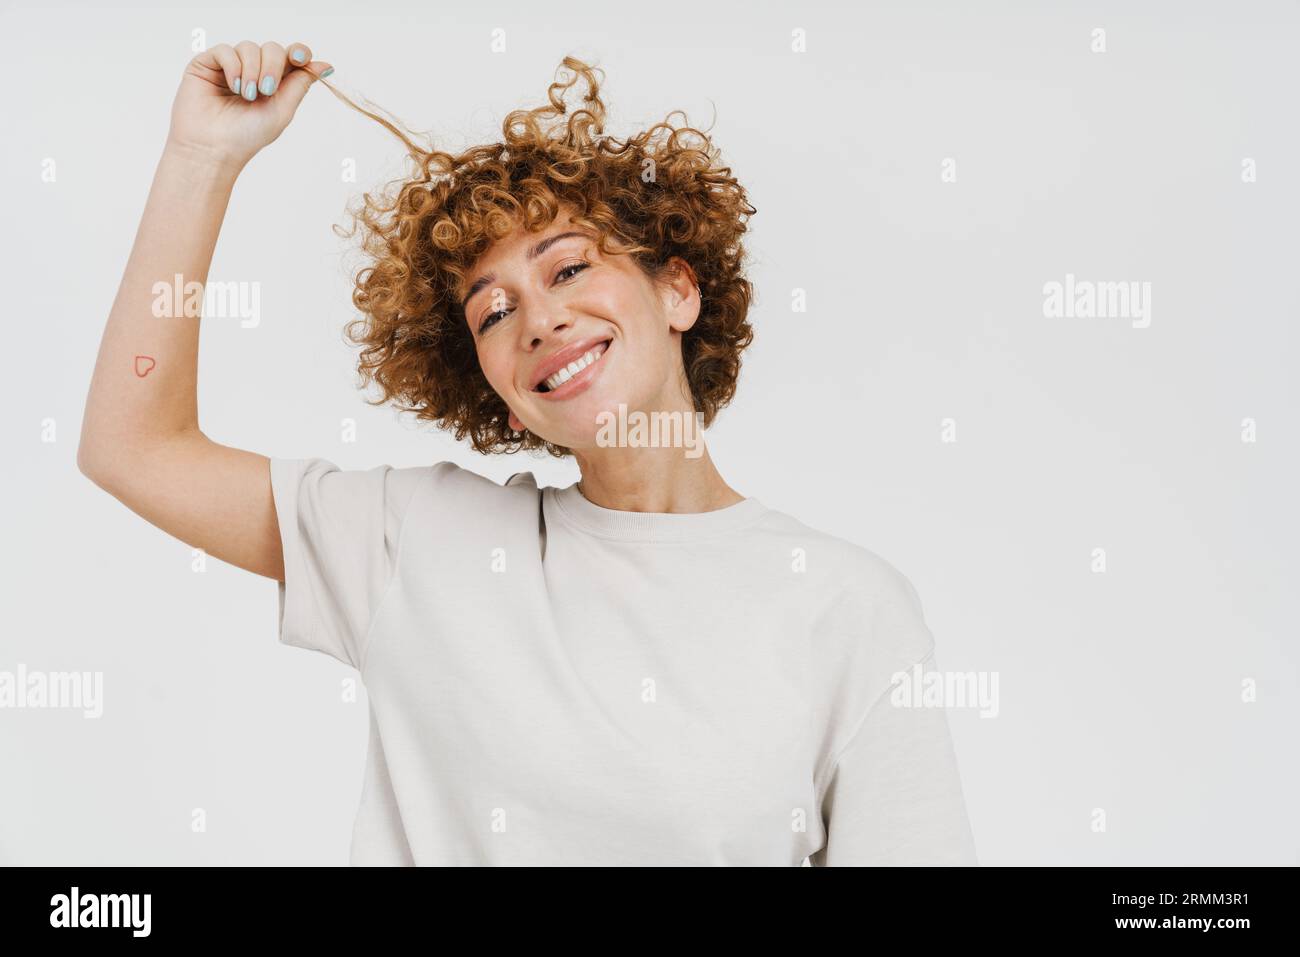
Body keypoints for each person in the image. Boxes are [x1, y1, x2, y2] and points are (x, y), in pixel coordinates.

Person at [78, 41, 978, 866]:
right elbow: (134, 446)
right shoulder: (415, 540)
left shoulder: (849, 608)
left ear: (677, 290)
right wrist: (202, 161)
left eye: (569, 269)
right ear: (500, 399)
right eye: (494, 313)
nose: (540, 319)